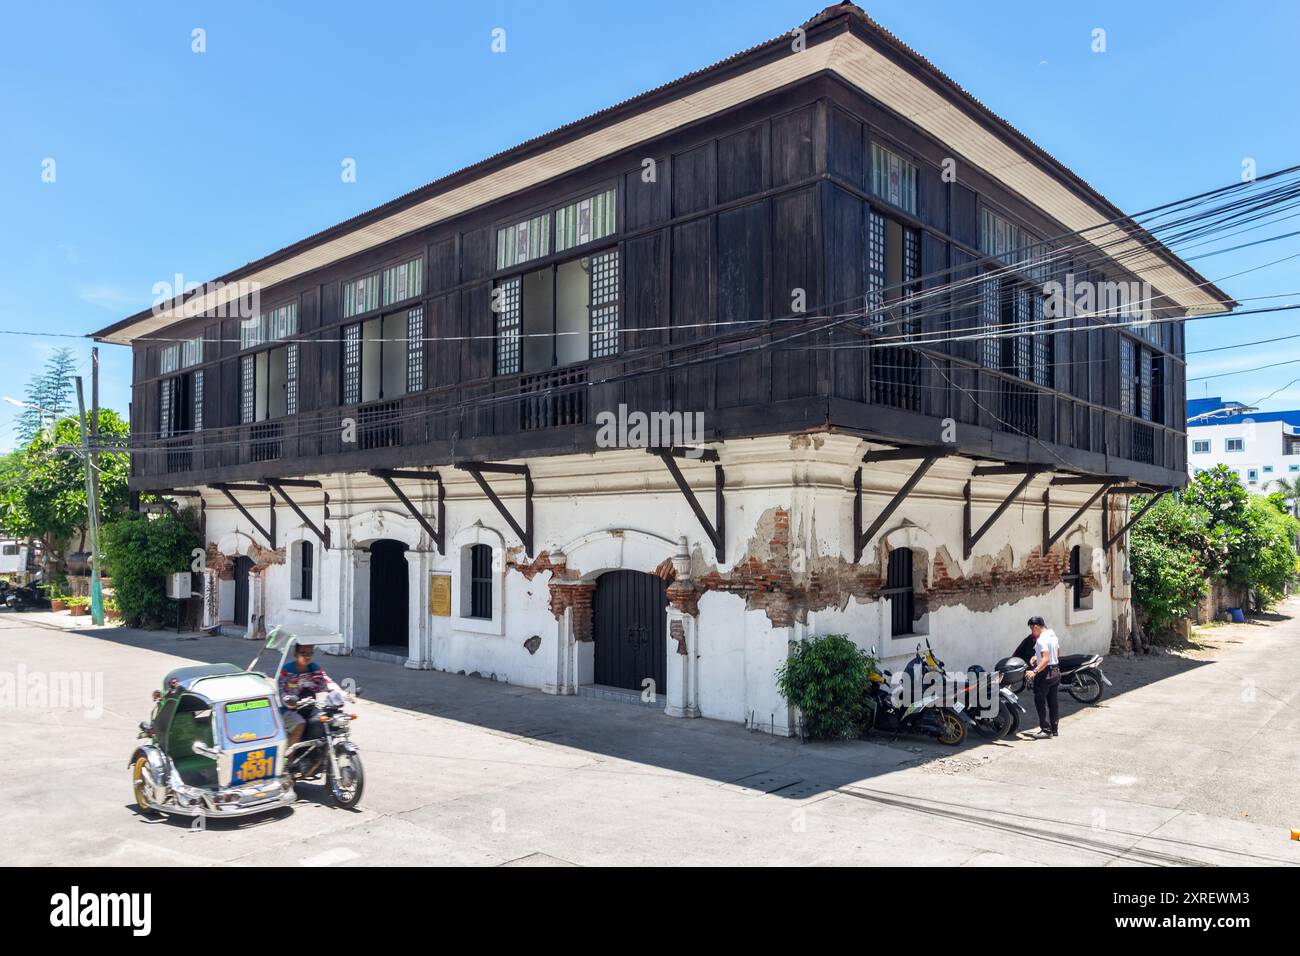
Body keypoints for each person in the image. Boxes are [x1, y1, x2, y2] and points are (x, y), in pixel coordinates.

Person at [278, 644, 341, 748]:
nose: (307, 656)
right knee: (300, 724)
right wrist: (289, 701)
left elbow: (325, 681)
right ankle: (288, 760)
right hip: (290, 710)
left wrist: (339, 692)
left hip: (310, 706)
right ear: (295, 654)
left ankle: (324, 756)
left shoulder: (314, 668)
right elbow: (282, 691)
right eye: (303, 653)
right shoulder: (287, 670)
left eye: (310, 653)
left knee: (328, 721)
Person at [1023, 615, 1061, 739]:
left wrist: (1034, 671)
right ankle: (1054, 729)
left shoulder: (1041, 640)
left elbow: (1045, 659)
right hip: (1055, 671)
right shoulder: (1053, 636)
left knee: (1040, 701)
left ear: (1036, 627)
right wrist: (1036, 657)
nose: (1032, 632)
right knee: (1053, 702)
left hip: (1044, 674)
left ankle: (1045, 729)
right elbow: (1056, 653)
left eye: (1032, 629)